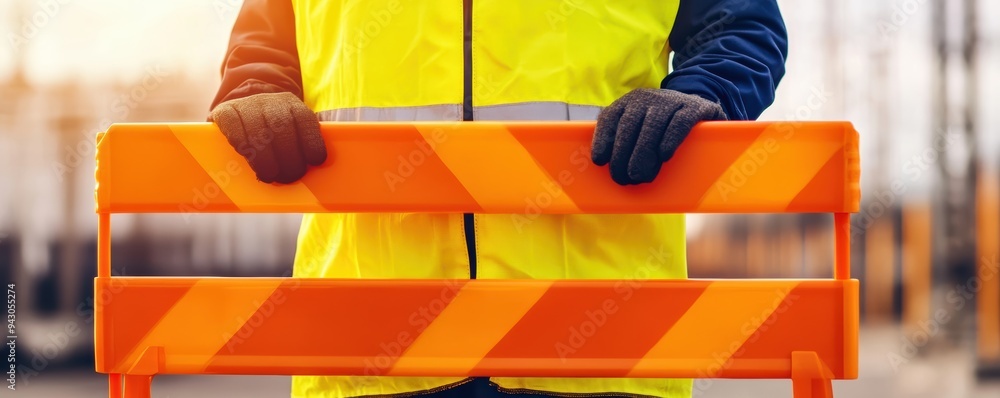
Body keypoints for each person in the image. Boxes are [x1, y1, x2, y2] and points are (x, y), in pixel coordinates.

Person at [209, 1, 787, 397]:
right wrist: (258, 86)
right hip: (371, 352)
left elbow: (739, 29)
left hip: (599, 347)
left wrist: (699, 93)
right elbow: (266, 40)